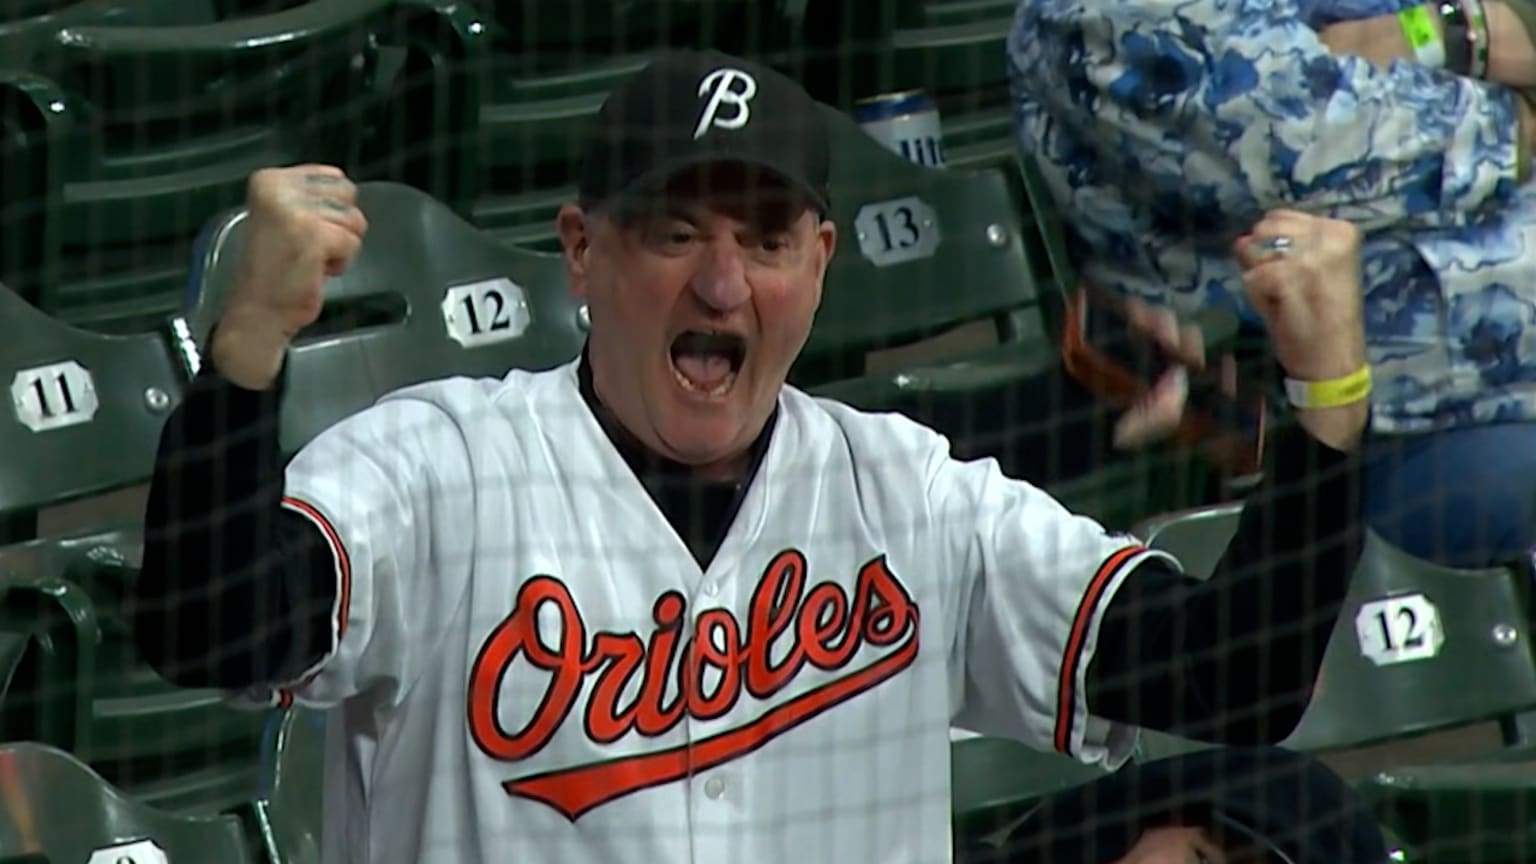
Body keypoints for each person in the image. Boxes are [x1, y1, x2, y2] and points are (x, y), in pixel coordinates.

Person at [129, 50, 1380, 864]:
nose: (724, 283)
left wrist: (1328, 405)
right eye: (677, 232)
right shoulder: (440, 467)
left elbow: (1236, 680)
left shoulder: (911, 498)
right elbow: (211, 630)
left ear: (821, 264)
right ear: (581, 251)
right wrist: (246, 357)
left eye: (769, 240)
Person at [1007, 0, 1536, 569]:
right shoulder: (1103, 13)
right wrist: (1472, 44)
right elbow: (1315, 141)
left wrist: (1445, 34)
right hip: (1391, 430)